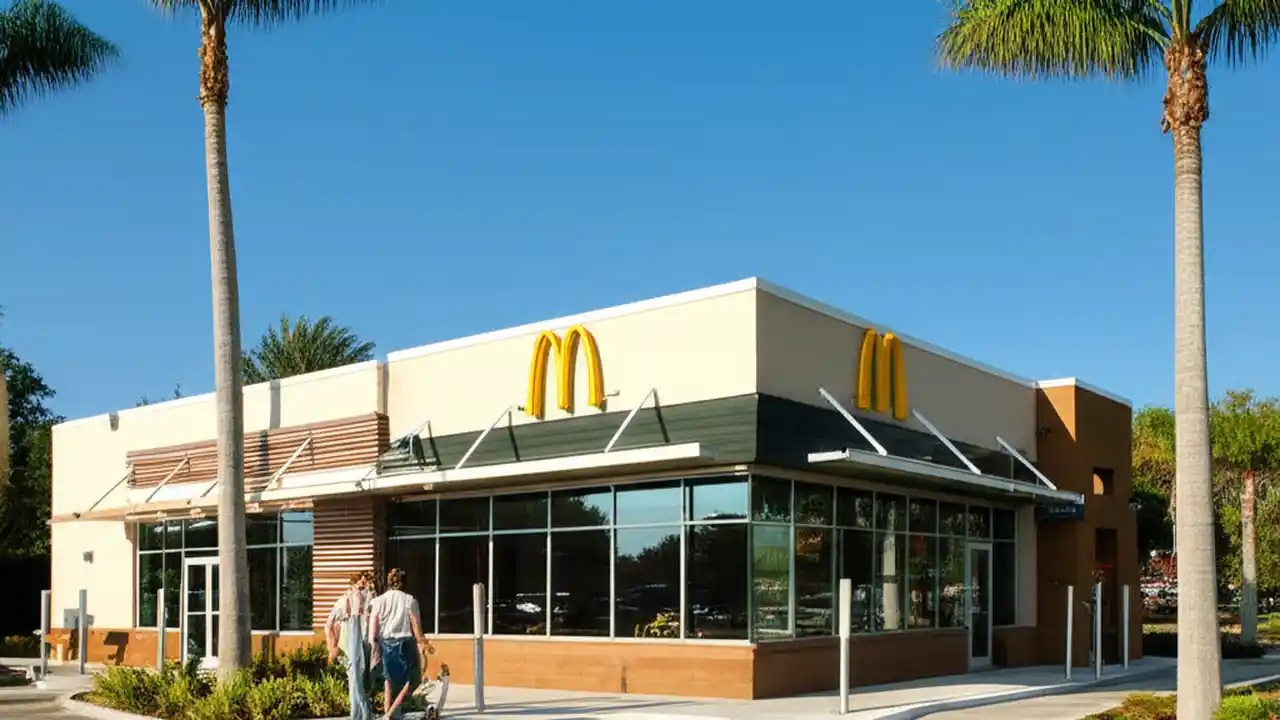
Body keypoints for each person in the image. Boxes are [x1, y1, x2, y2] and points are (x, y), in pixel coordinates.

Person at [370, 568, 432, 720]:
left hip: (385, 642)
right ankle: (390, 714)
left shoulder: (379, 601)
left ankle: (388, 714)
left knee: (388, 681)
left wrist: (375, 646)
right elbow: (416, 629)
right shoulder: (409, 600)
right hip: (405, 643)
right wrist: (424, 643)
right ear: (404, 583)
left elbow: (374, 628)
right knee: (413, 680)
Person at [326, 570, 375, 720]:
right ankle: (362, 714)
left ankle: (358, 715)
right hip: (349, 647)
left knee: (359, 682)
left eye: (366, 587)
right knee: (355, 681)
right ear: (353, 586)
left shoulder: (369, 603)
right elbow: (328, 624)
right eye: (361, 587)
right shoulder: (344, 601)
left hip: (365, 645)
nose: (364, 591)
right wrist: (332, 648)